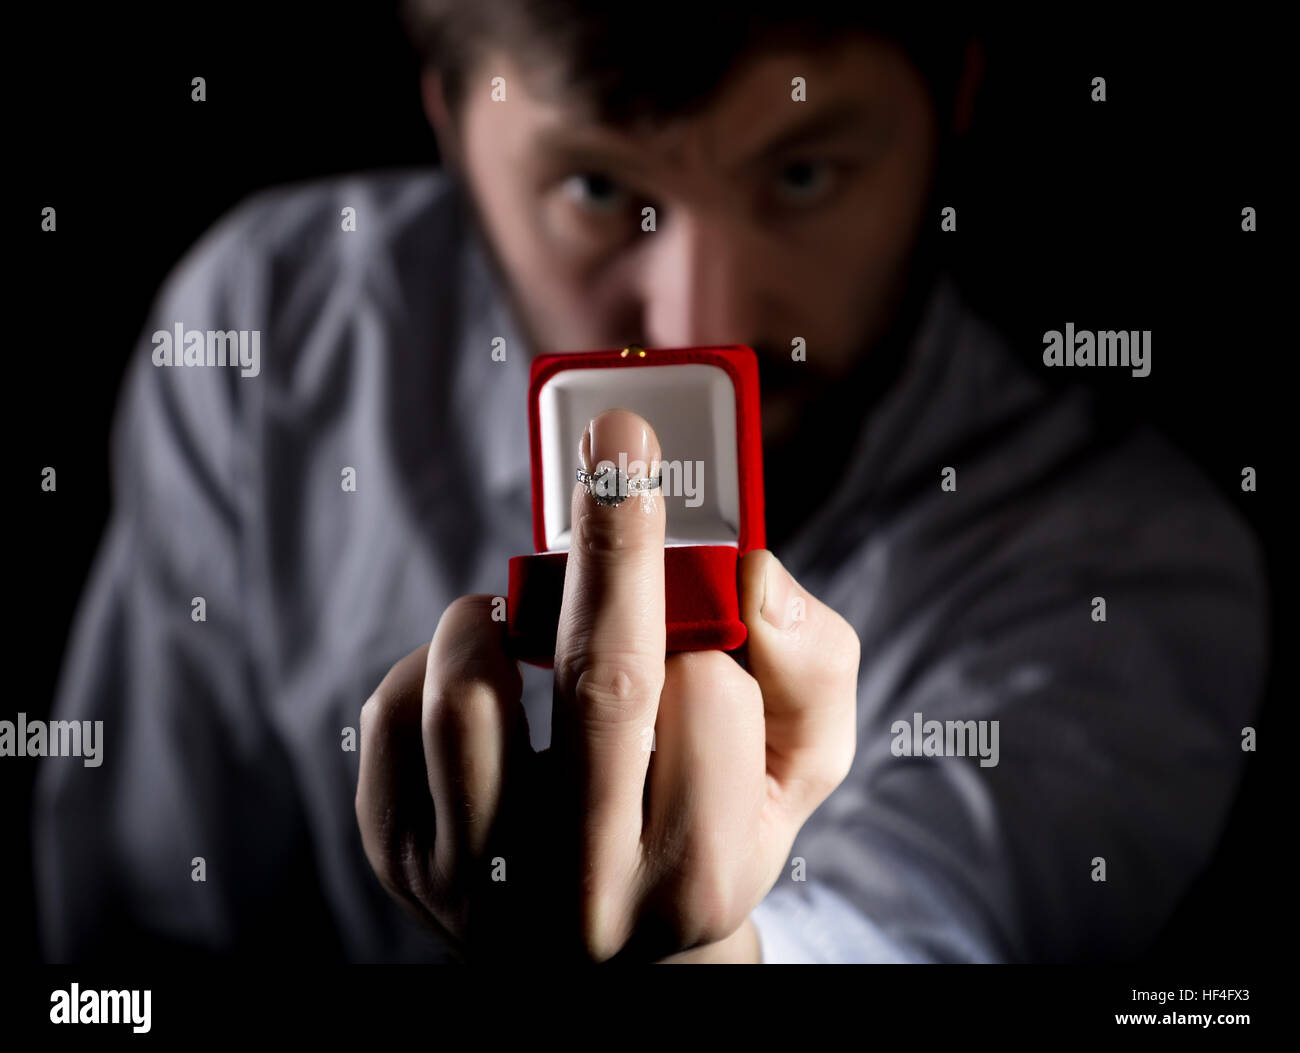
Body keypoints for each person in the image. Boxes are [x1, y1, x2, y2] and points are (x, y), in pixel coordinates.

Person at [33, 4, 1267, 963]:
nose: (699, 327)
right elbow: (136, 943)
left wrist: (707, 959)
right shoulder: (270, 333)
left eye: (801, 175)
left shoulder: (1123, 555)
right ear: (451, 122)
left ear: (954, 96)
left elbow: (935, 931)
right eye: (597, 189)